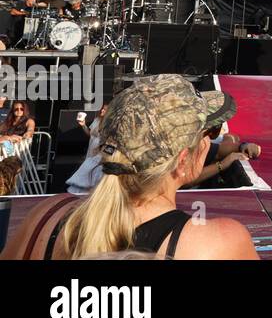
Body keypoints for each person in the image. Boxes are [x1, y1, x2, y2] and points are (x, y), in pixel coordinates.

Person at [1, 75, 258, 260]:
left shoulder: (45, 217)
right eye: (209, 132)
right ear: (182, 160)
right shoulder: (220, 245)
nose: (208, 141)